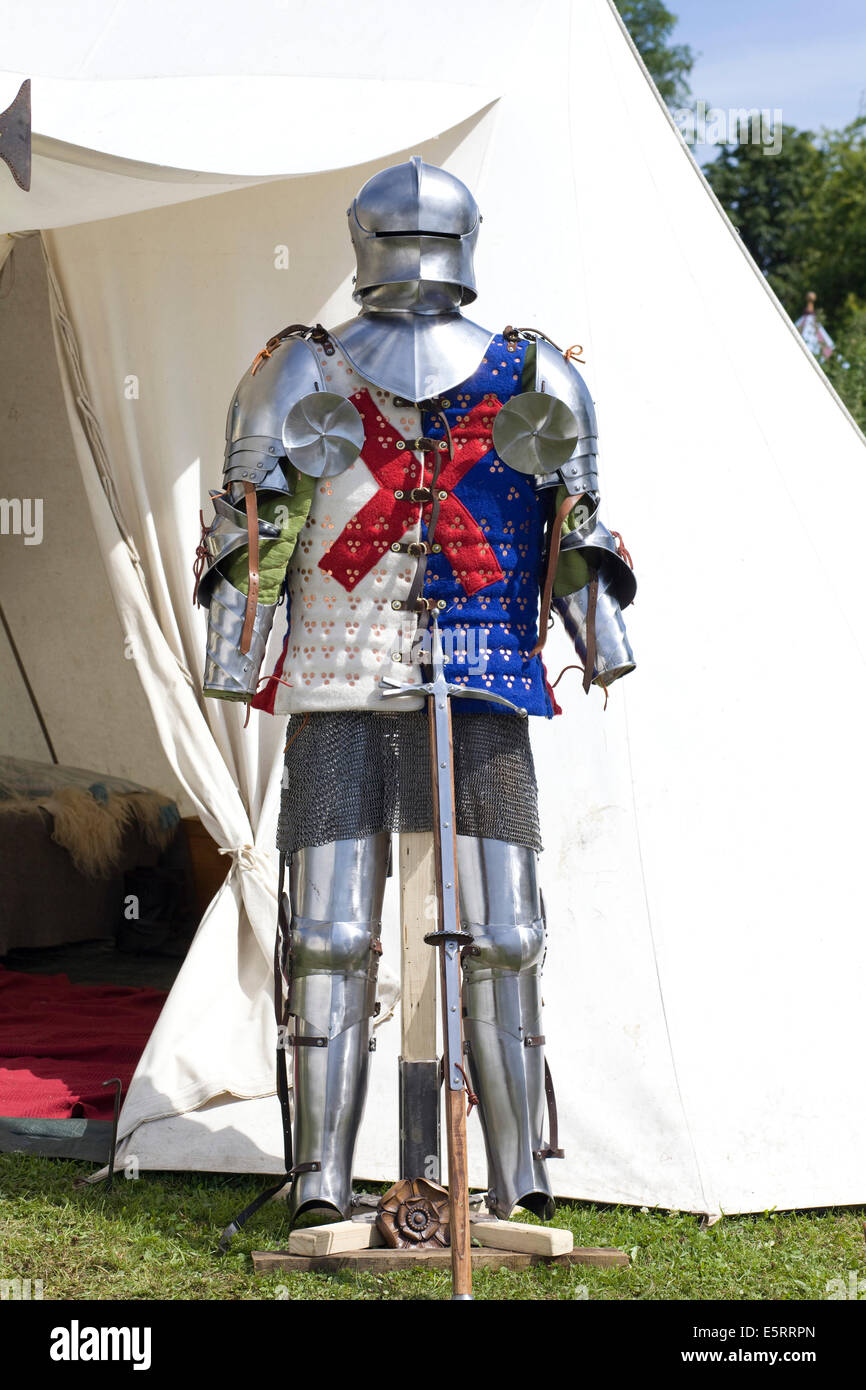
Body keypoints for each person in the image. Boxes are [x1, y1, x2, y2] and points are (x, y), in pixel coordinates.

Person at [196, 157, 635, 1224]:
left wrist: (598, 637)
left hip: (481, 668)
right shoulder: (298, 371)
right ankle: (318, 1178)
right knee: (327, 939)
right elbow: (250, 532)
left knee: (503, 935)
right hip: (342, 670)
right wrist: (238, 657)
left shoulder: (533, 371)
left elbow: (572, 527)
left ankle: (517, 1173)